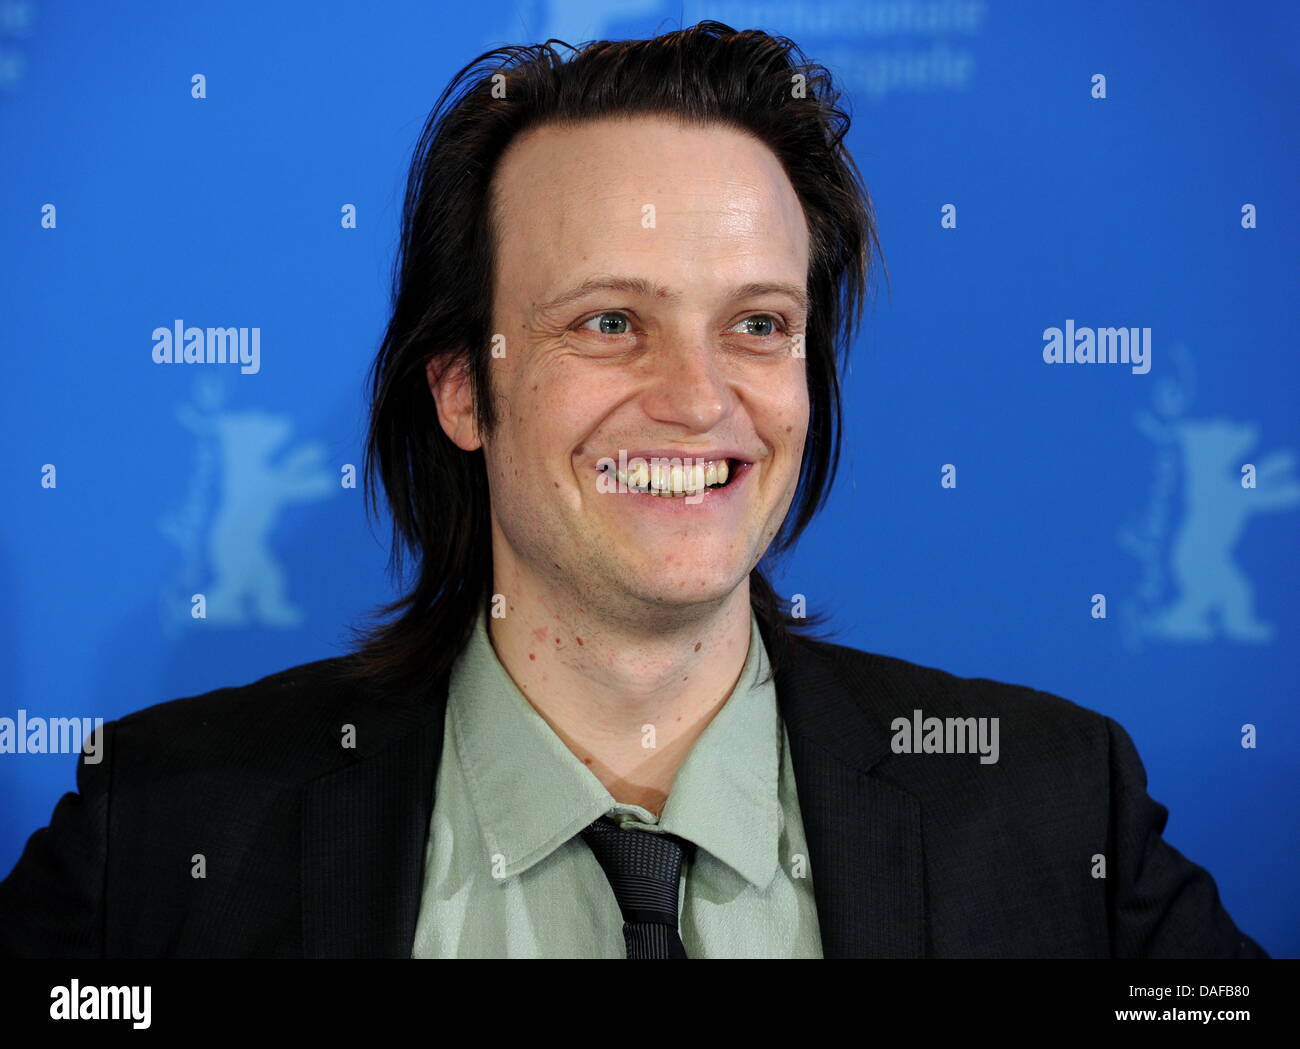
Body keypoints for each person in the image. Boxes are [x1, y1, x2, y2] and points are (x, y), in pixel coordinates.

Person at [0, 21, 1267, 959]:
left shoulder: (1054, 813)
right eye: (610, 320)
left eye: (759, 324)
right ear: (459, 388)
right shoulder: (157, 843)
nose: (698, 396)